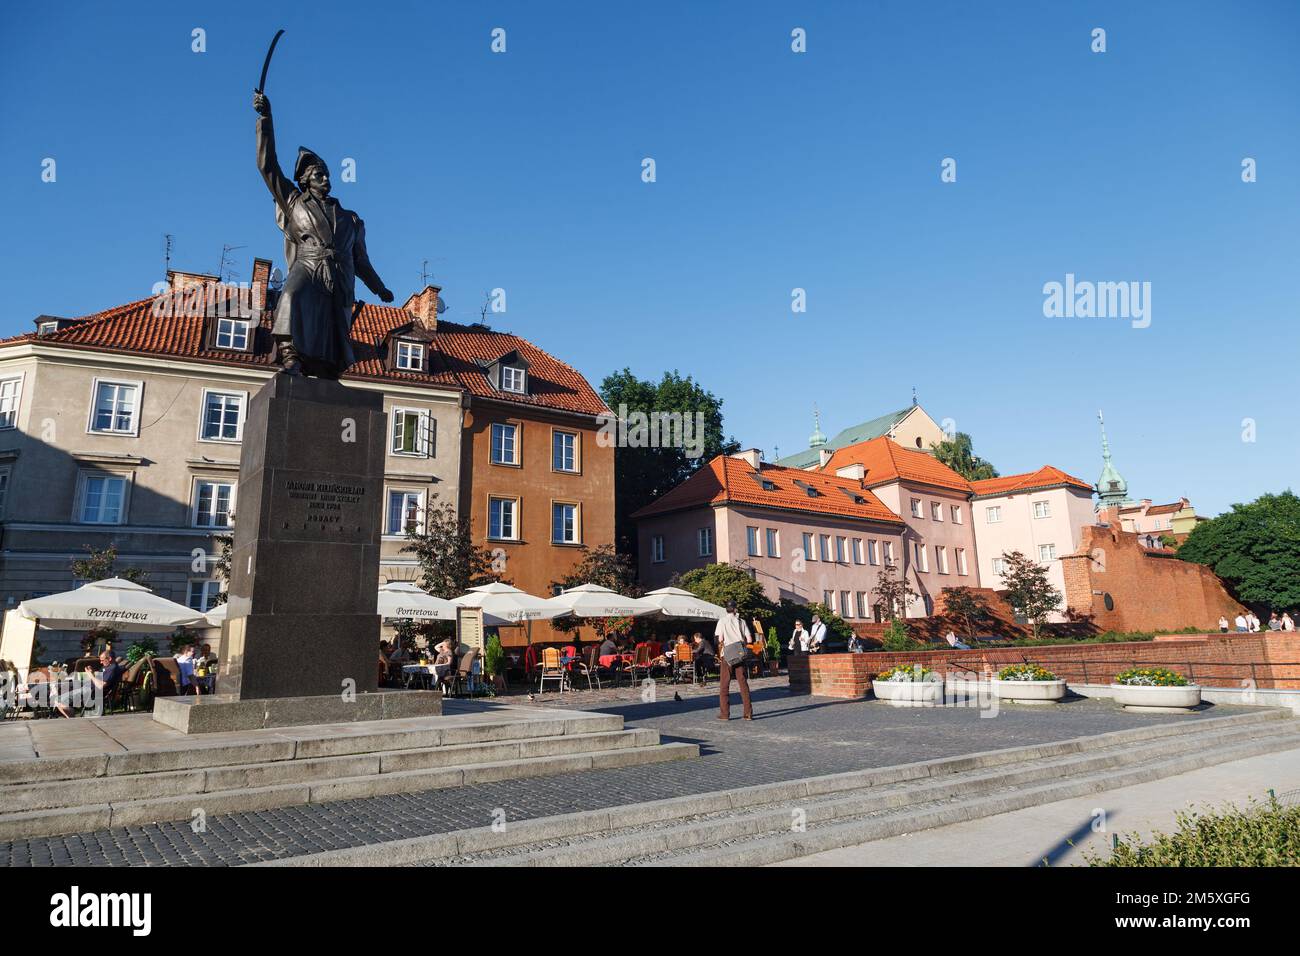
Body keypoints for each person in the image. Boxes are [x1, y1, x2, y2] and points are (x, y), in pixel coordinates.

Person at [714, 601, 753, 720]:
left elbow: (719, 638)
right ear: (735, 609)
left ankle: (725, 714)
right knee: (743, 683)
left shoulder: (722, 621)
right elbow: (750, 639)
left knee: (724, 684)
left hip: (727, 655)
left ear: (726, 609)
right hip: (740, 654)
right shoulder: (741, 621)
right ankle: (748, 713)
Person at [54, 650, 123, 718]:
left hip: (91, 691)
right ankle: (70, 715)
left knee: (58, 700)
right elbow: (98, 679)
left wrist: (90, 675)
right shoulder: (108, 666)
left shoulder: (112, 669)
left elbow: (101, 685)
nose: (101, 662)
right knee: (59, 687)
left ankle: (72, 716)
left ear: (110, 659)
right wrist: (92, 672)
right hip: (87, 686)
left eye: (102, 660)